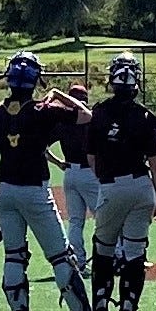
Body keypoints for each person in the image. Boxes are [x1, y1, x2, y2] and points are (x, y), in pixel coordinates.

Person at [0, 52, 102, 311]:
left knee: (14, 255)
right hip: (34, 191)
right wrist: (60, 95)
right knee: (61, 255)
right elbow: (87, 115)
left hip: (4, 192)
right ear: (35, 81)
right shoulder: (45, 110)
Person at [82, 52, 156, 311]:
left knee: (104, 248)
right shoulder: (144, 115)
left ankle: (101, 307)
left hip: (111, 185)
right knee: (135, 251)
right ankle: (129, 307)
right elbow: (155, 162)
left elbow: (92, 158)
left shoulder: (100, 113)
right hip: (141, 186)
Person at [59, 79, 103, 260]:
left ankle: (78, 259)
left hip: (70, 172)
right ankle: (113, 254)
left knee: (76, 221)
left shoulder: (62, 122)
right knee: (103, 217)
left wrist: (58, 162)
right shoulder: (90, 119)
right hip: (89, 172)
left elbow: (42, 148)